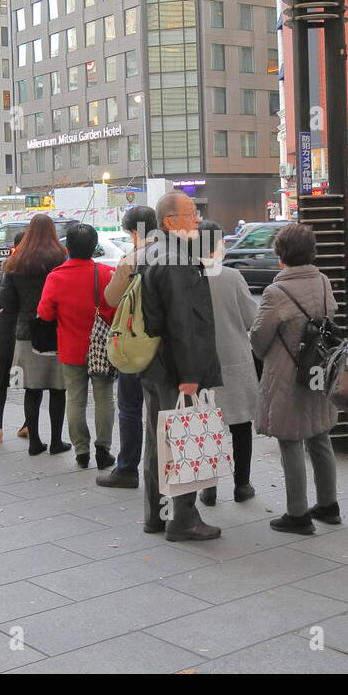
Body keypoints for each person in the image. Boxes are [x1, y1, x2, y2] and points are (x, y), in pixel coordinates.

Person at [140, 191, 223, 542]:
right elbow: (182, 323)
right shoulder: (174, 259)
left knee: (158, 437)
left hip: (155, 363)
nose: (197, 220)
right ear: (170, 222)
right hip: (177, 367)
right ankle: (184, 518)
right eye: (190, 215)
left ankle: (157, 515)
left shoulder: (153, 252)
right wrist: (190, 375)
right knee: (182, 439)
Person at [250, 223, 339, 535]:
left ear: (281, 254)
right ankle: (329, 505)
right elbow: (331, 315)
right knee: (319, 434)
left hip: (286, 374)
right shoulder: (324, 281)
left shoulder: (276, 292)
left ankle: (298, 513)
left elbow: (259, 338)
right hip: (317, 370)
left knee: (290, 439)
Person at [36, 223, 116, 470]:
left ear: (67, 247)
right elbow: (115, 310)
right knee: (104, 397)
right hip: (102, 348)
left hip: (70, 348)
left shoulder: (56, 276)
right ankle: (103, 450)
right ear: (95, 247)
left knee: (75, 399)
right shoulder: (106, 274)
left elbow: (44, 313)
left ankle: (82, 452)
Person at [0, 214, 69, 455]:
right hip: (57, 330)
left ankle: (35, 441)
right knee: (58, 389)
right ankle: (57, 441)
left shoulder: (17, 260)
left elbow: (5, 300)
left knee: (32, 388)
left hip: (27, 332)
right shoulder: (61, 258)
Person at [196, 220, 258, 506]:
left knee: (207, 424)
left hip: (200, 362)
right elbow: (251, 319)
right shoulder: (232, 277)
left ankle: (208, 487)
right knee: (240, 424)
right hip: (234, 358)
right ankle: (242, 484)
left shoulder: (187, 276)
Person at [97, 205, 159, 489]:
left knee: (131, 406)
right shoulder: (179, 255)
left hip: (137, 344)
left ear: (135, 232)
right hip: (169, 345)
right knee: (163, 408)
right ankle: (164, 469)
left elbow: (110, 298)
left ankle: (127, 468)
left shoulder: (131, 260)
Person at [0, 231, 25, 442]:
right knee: (29, 383)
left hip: (8, 332)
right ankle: (28, 425)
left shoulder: (11, 268)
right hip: (30, 333)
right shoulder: (44, 266)